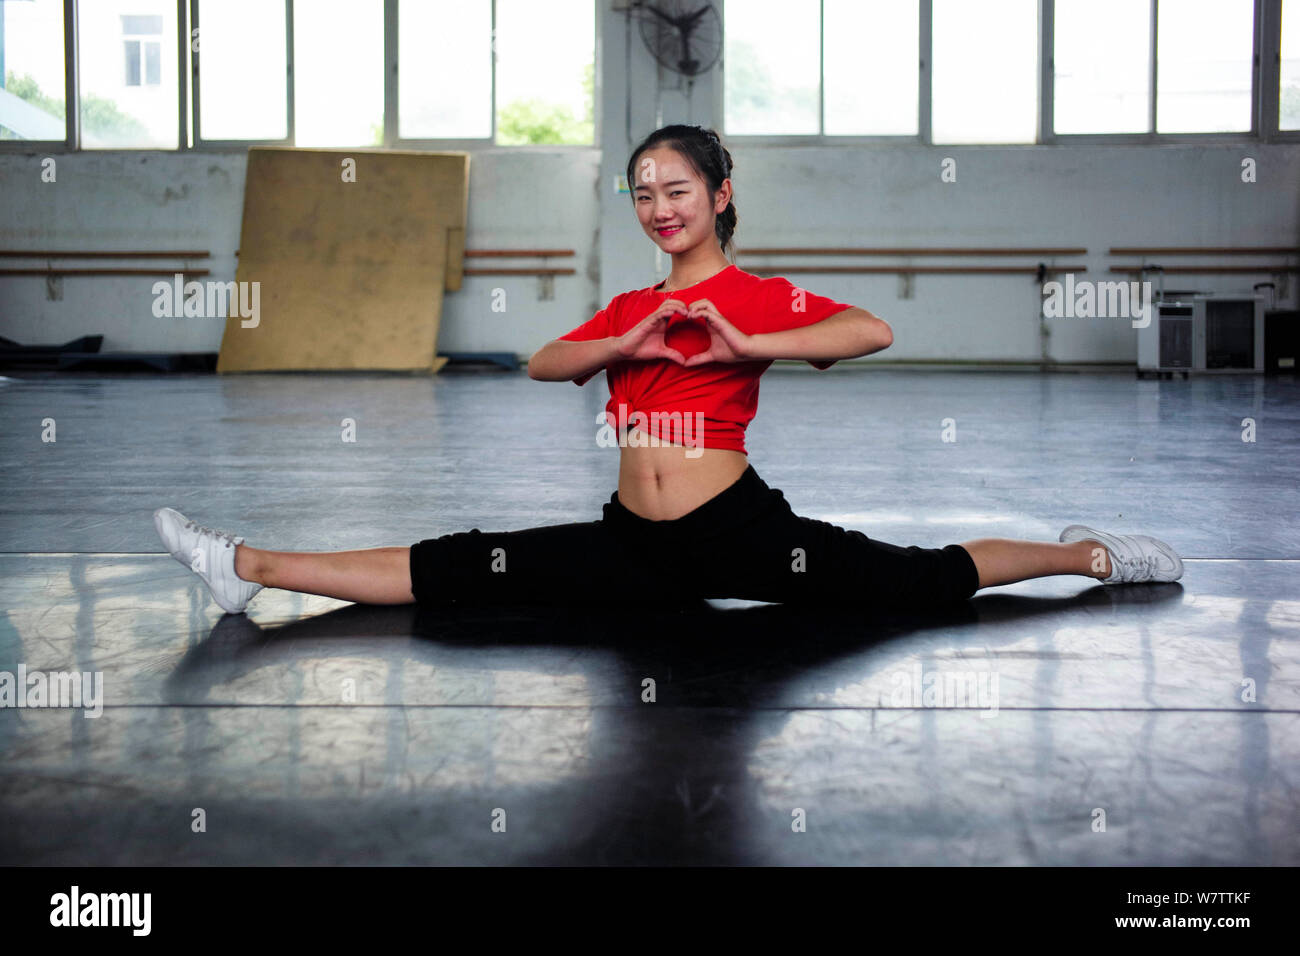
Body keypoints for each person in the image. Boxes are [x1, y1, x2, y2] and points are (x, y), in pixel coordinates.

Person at [153, 123, 1183, 616]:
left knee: (922, 580)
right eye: (642, 190)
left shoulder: (756, 293)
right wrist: (627, 343)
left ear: (720, 192)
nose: (658, 204)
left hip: (741, 531)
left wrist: (750, 345)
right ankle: (244, 567)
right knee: (463, 565)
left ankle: (1093, 557)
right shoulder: (635, 303)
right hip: (633, 541)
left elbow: (870, 329)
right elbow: (543, 361)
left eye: (676, 185)